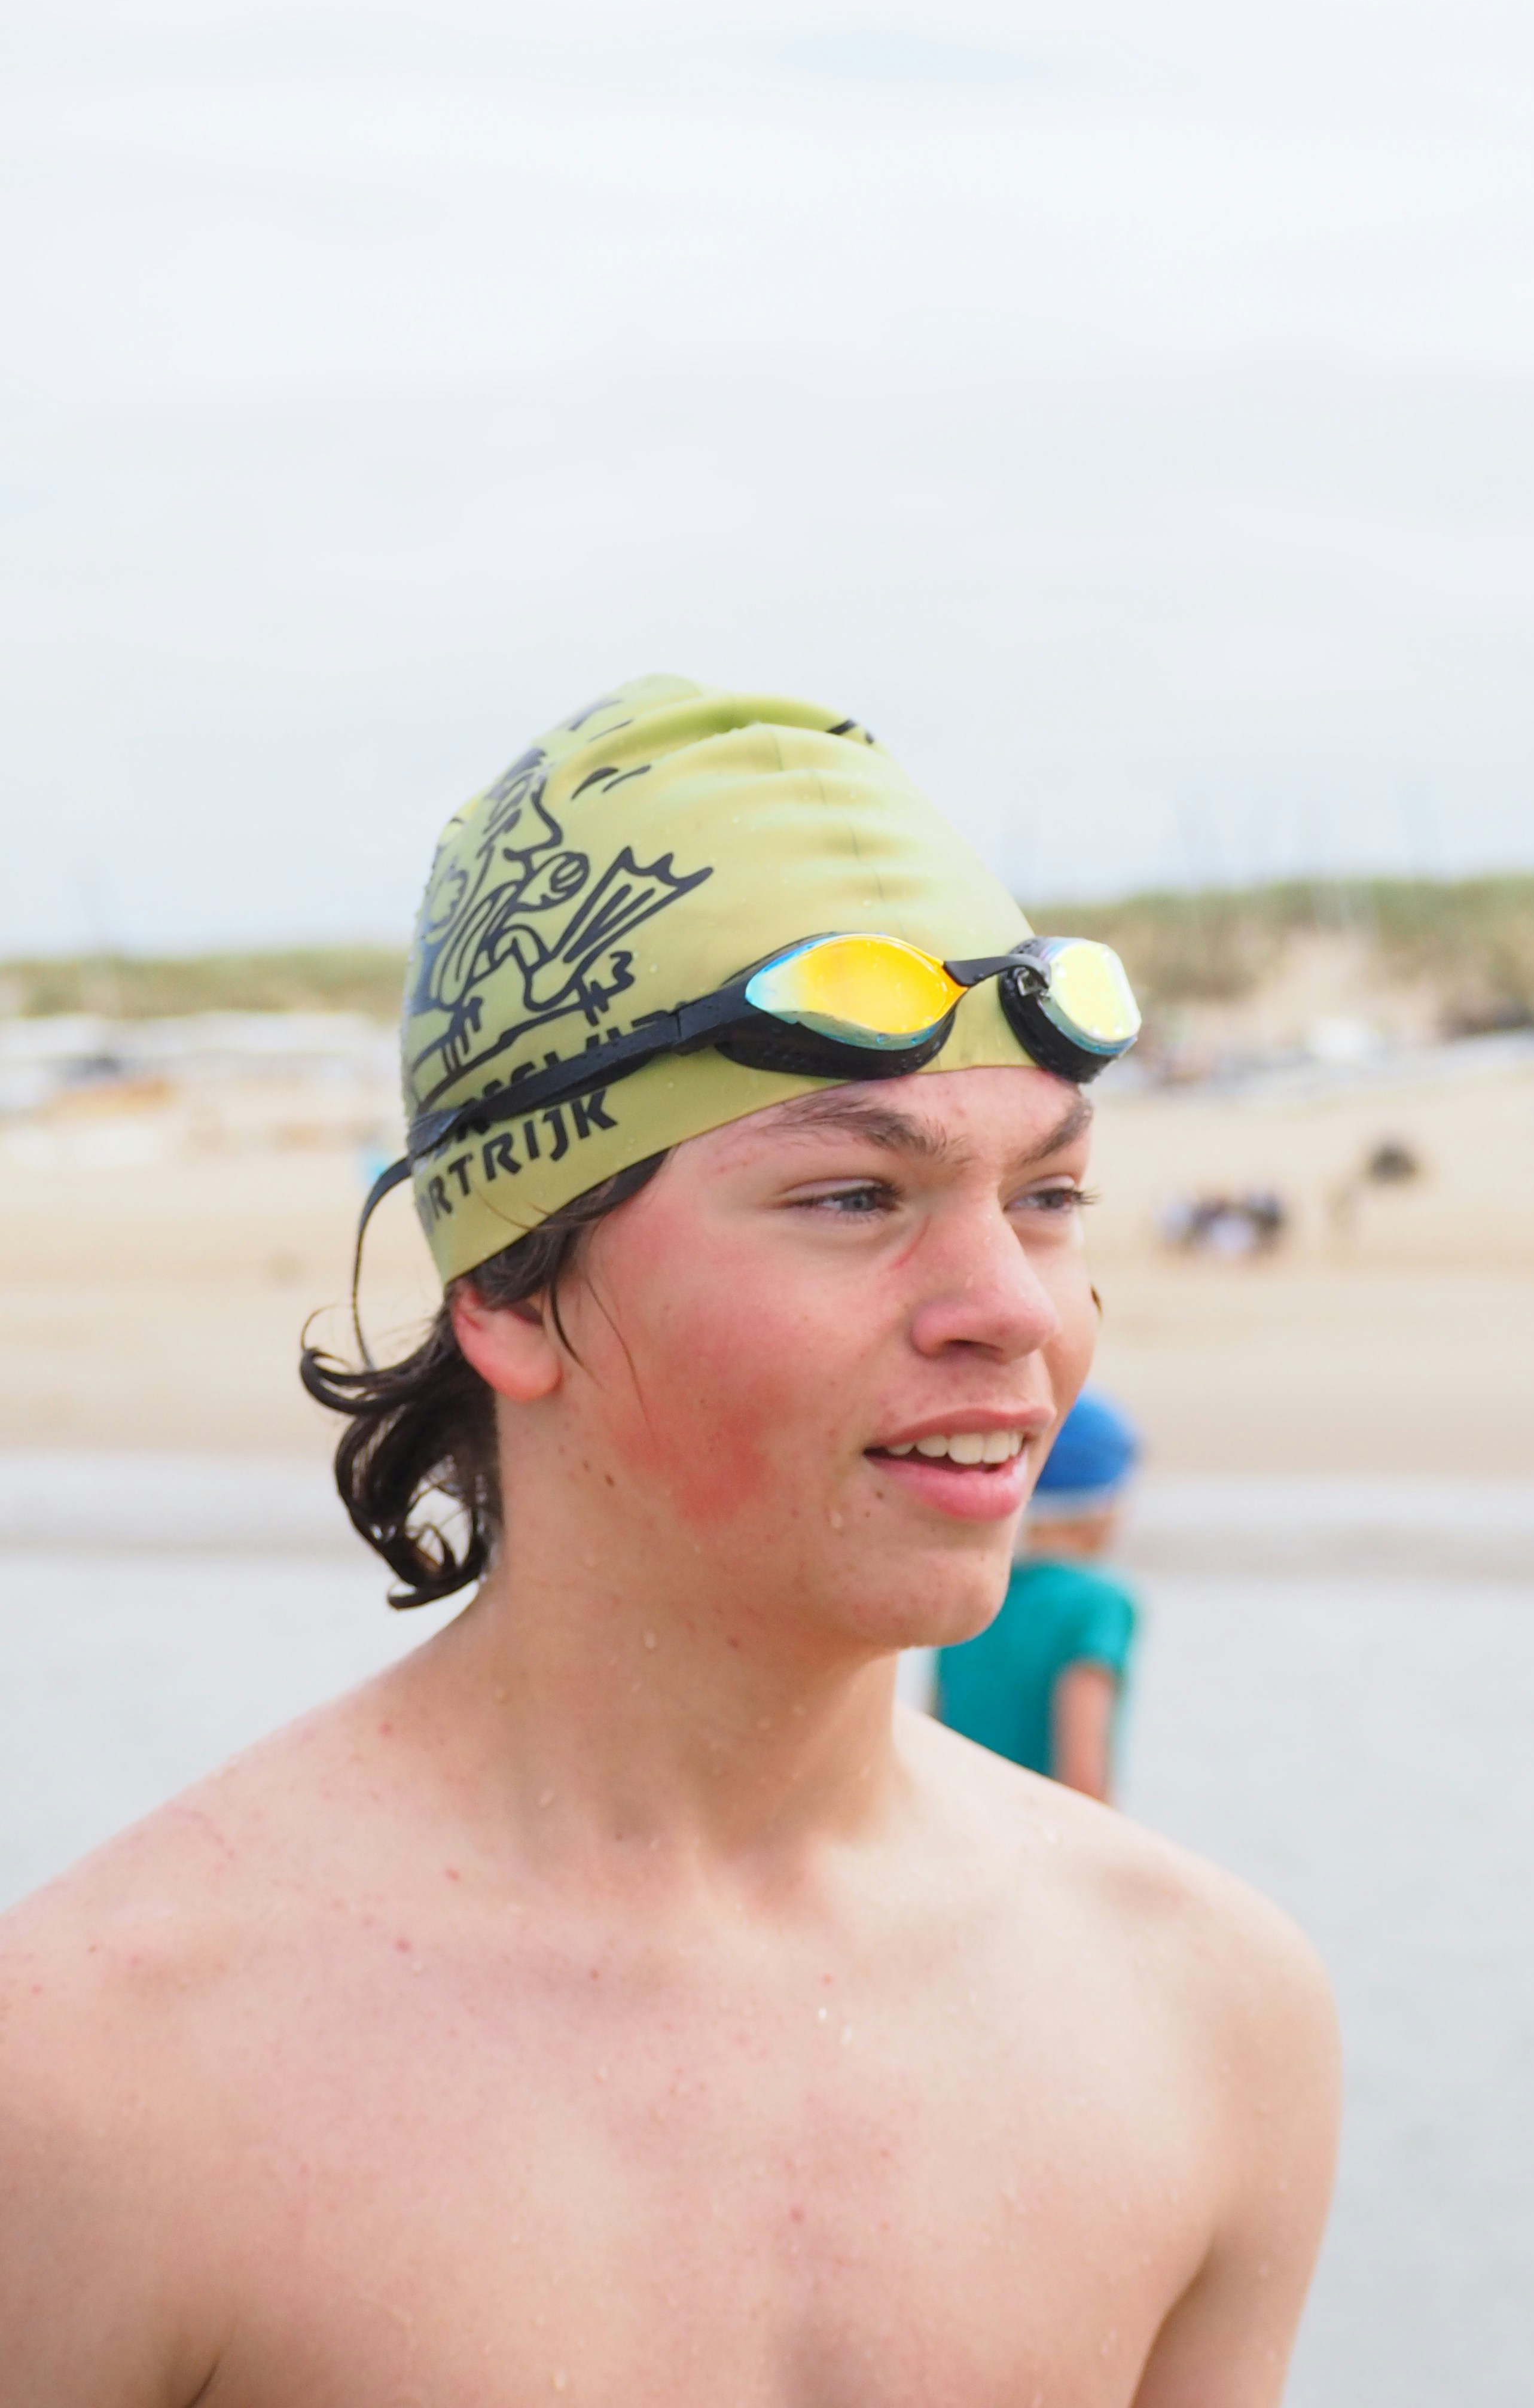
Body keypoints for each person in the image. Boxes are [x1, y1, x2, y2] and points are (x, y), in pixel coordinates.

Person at [0, 676, 1338, 2405]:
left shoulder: (1207, 2020)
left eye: (1049, 1196)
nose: (1017, 1312)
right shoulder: (103, 2090)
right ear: (507, 1289)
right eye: (855, 1196)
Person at [937, 1387, 1140, 1798]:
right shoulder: (1097, 1603)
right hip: (1042, 1846)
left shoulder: (970, 1588)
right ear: (1105, 1505)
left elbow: (935, 1733)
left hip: (960, 1835)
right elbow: (1082, 1770)